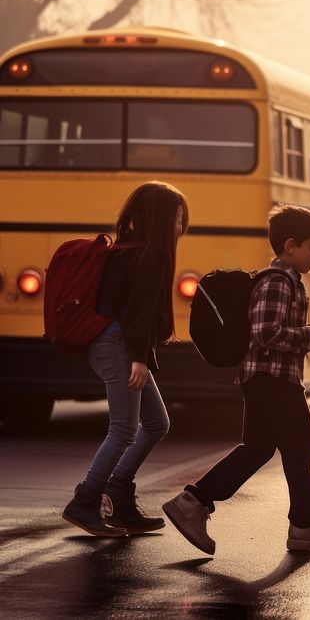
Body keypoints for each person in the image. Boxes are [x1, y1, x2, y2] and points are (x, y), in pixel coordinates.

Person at [162, 204, 310, 554]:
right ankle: (305, 526)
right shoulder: (278, 282)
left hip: (268, 378)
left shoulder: (287, 280)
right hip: (271, 379)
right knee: (300, 448)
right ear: (289, 246)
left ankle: (193, 502)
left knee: (259, 448)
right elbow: (265, 333)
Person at [62, 181, 189, 537]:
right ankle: (85, 501)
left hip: (113, 344)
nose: (182, 226)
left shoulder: (123, 250)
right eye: (179, 218)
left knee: (156, 423)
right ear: (164, 218)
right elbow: (138, 313)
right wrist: (139, 358)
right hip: (120, 346)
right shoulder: (152, 254)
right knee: (122, 429)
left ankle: (118, 493)